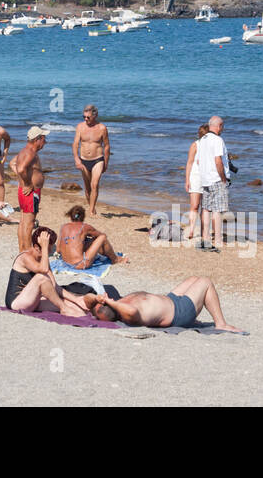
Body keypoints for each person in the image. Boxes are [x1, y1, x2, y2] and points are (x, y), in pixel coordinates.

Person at [87, 276, 242, 332]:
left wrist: (96, 299)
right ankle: (221, 323)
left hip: (171, 300)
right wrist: (108, 301)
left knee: (193, 279)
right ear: (110, 305)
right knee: (205, 282)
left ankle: (198, 311)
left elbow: (86, 301)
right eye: (102, 303)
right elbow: (132, 312)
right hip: (180, 313)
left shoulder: (118, 304)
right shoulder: (127, 313)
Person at [12, 126, 50, 251]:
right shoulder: (31, 154)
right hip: (30, 192)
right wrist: (27, 183)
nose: (45, 141)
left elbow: (13, 163)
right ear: (37, 139)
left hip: (24, 192)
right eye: (44, 138)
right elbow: (21, 168)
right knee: (29, 224)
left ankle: (22, 250)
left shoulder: (24, 151)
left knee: (23, 222)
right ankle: (27, 252)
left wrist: (22, 181)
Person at [195, 115, 230, 251]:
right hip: (216, 178)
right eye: (222, 126)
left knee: (206, 208)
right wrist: (223, 178)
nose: (222, 129)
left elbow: (199, 161)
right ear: (219, 126)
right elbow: (218, 161)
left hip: (205, 179)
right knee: (217, 210)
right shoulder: (217, 140)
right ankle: (218, 239)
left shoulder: (202, 140)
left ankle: (206, 236)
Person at [58, 205, 126, 269]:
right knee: (102, 238)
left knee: (87, 241)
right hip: (80, 264)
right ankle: (115, 259)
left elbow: (58, 250)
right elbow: (101, 235)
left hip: (65, 263)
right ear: (83, 217)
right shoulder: (84, 227)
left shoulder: (63, 227)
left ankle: (110, 256)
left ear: (71, 216)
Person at [72, 104, 110, 217]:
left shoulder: (102, 128)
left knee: (95, 184)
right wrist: (76, 159)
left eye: (88, 117)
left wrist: (106, 163)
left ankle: (91, 211)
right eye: (84, 117)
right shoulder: (80, 127)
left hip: (98, 160)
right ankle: (92, 207)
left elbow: (107, 146)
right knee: (87, 188)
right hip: (83, 160)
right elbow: (75, 144)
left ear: (95, 115)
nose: (85, 119)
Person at [183, 123, 210, 241]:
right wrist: (187, 180)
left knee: (205, 207)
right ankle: (192, 229)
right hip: (196, 177)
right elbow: (189, 162)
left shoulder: (212, 147)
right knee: (195, 206)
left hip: (208, 178)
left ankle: (204, 231)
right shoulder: (195, 145)